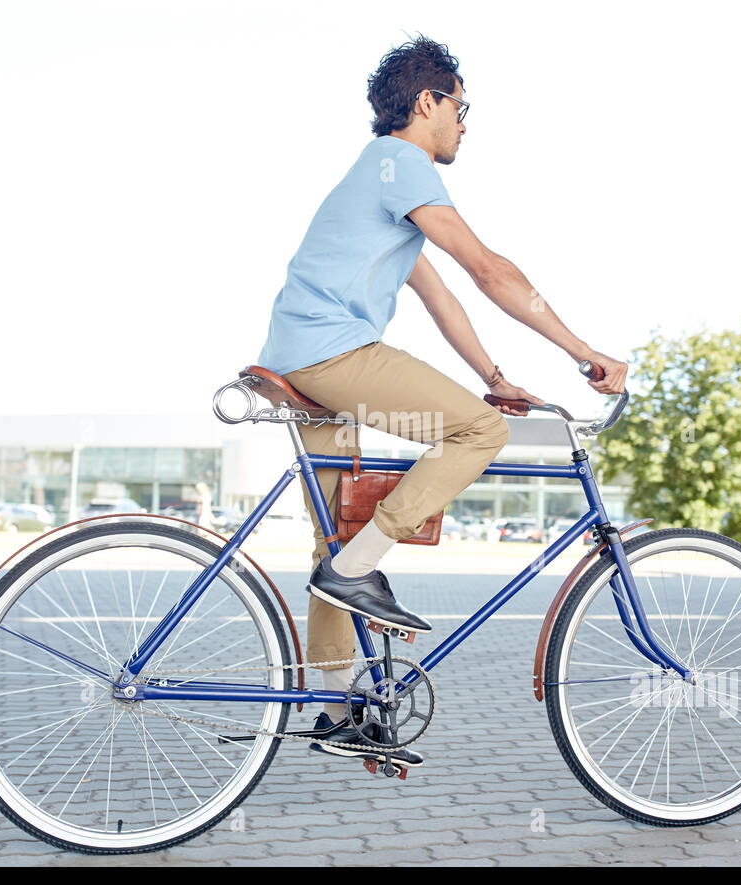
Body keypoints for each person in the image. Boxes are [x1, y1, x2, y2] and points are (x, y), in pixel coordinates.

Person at [253, 35, 628, 768]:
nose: (465, 122)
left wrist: (495, 372)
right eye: (461, 106)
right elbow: (487, 270)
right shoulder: (401, 163)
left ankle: (337, 712)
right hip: (332, 358)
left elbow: (443, 296)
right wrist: (585, 353)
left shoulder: (379, 182)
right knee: (476, 433)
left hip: (302, 363)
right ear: (427, 102)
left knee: (339, 535)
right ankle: (359, 569)